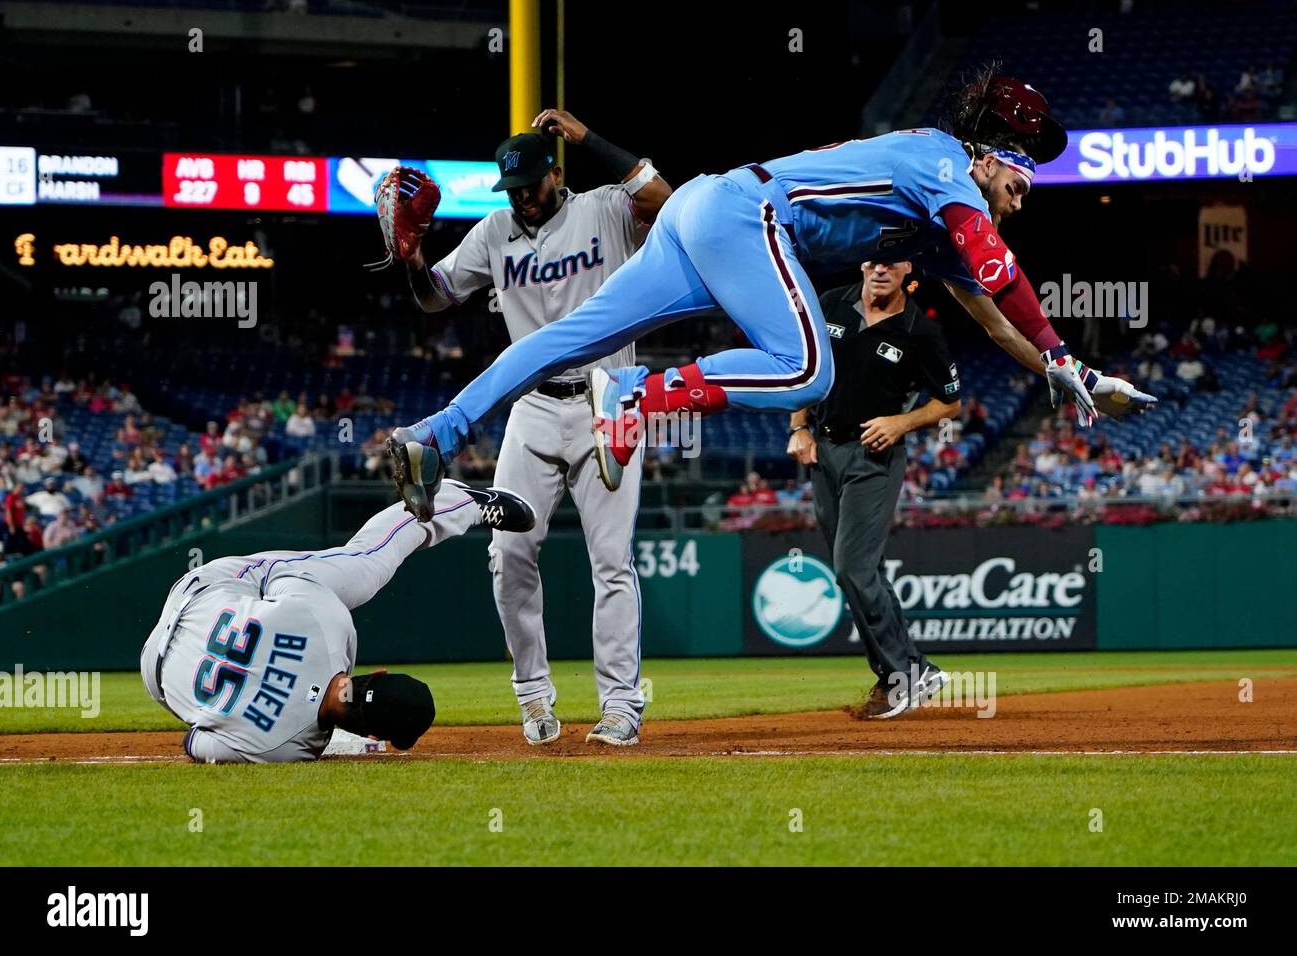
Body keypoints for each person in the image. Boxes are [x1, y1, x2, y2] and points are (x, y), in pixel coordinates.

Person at [386, 70, 1151, 518]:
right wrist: (1067, 359)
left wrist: (1065, 374)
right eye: (1024, 170)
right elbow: (1002, 275)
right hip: (744, 217)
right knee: (808, 371)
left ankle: (435, 434)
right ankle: (631, 394)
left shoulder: (938, 220)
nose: (1028, 187)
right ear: (993, 154)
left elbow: (994, 319)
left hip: (706, 212)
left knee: (565, 337)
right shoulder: (946, 164)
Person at [380, 111, 671, 747]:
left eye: (530, 186)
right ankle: (534, 696)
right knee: (508, 553)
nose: (519, 198)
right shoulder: (494, 232)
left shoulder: (602, 209)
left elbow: (660, 195)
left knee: (611, 563)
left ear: (556, 175)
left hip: (611, 397)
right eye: (510, 189)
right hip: (533, 407)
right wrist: (413, 259)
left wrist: (588, 135)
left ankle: (622, 705)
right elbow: (435, 297)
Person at [139, 480, 536, 764]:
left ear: (378, 672)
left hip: (201, 589)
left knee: (364, 565)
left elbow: (279, 577)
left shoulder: (331, 625)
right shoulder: (287, 749)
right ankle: (453, 500)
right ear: (372, 736)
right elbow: (194, 742)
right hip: (156, 673)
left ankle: (454, 500)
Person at [787, 260, 958, 717]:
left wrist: (903, 422)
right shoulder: (830, 305)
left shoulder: (918, 330)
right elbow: (804, 368)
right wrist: (798, 427)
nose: (880, 269)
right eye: (873, 260)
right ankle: (898, 675)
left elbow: (950, 401)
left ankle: (908, 672)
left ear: (907, 269)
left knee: (852, 568)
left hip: (874, 456)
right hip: (824, 452)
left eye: (892, 262)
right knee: (862, 573)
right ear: (863, 264)